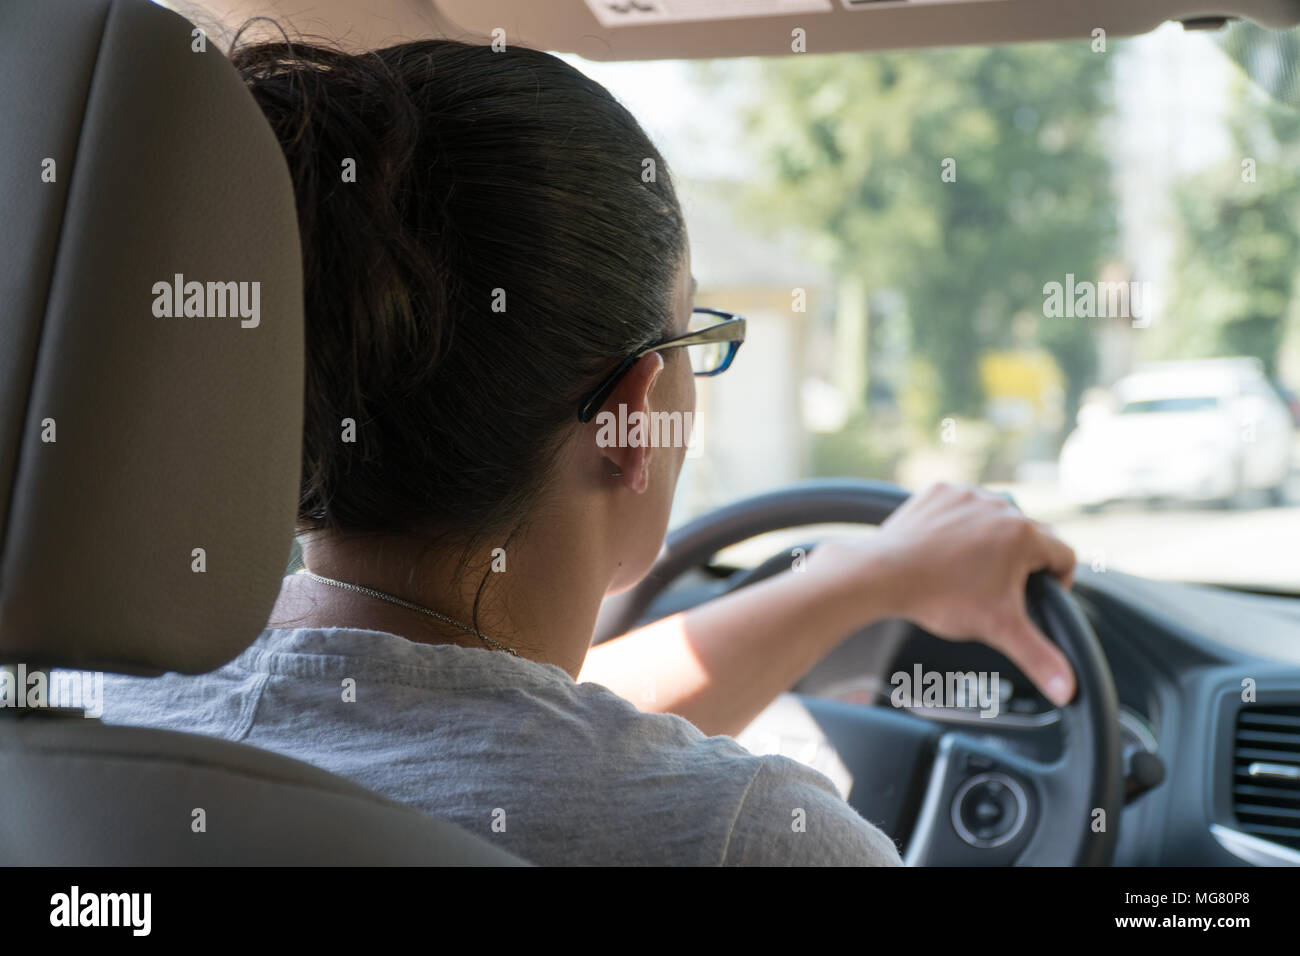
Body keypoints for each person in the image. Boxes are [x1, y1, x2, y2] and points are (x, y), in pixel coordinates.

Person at [100, 36, 1077, 865]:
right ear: (631, 415)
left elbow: (468, 716)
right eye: (694, 331)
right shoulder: (748, 837)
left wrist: (861, 579)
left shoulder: (93, 705)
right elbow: (536, 748)